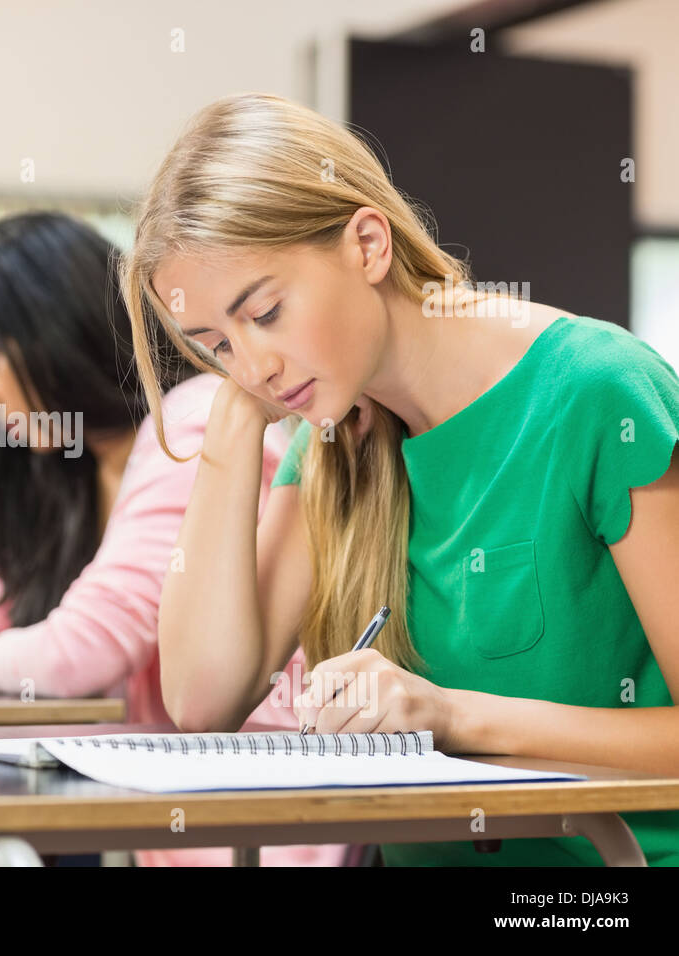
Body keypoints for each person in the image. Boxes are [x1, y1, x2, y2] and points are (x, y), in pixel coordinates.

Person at [123, 91, 679, 865]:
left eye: (267, 313)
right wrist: (233, 425)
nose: (252, 366)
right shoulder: (329, 441)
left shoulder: (594, 391)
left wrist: (452, 716)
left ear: (369, 245)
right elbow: (199, 700)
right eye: (214, 342)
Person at [0, 211, 344, 867]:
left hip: (256, 827)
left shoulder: (189, 427)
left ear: (53, 327)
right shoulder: (79, 477)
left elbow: (85, 649)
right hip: (168, 820)